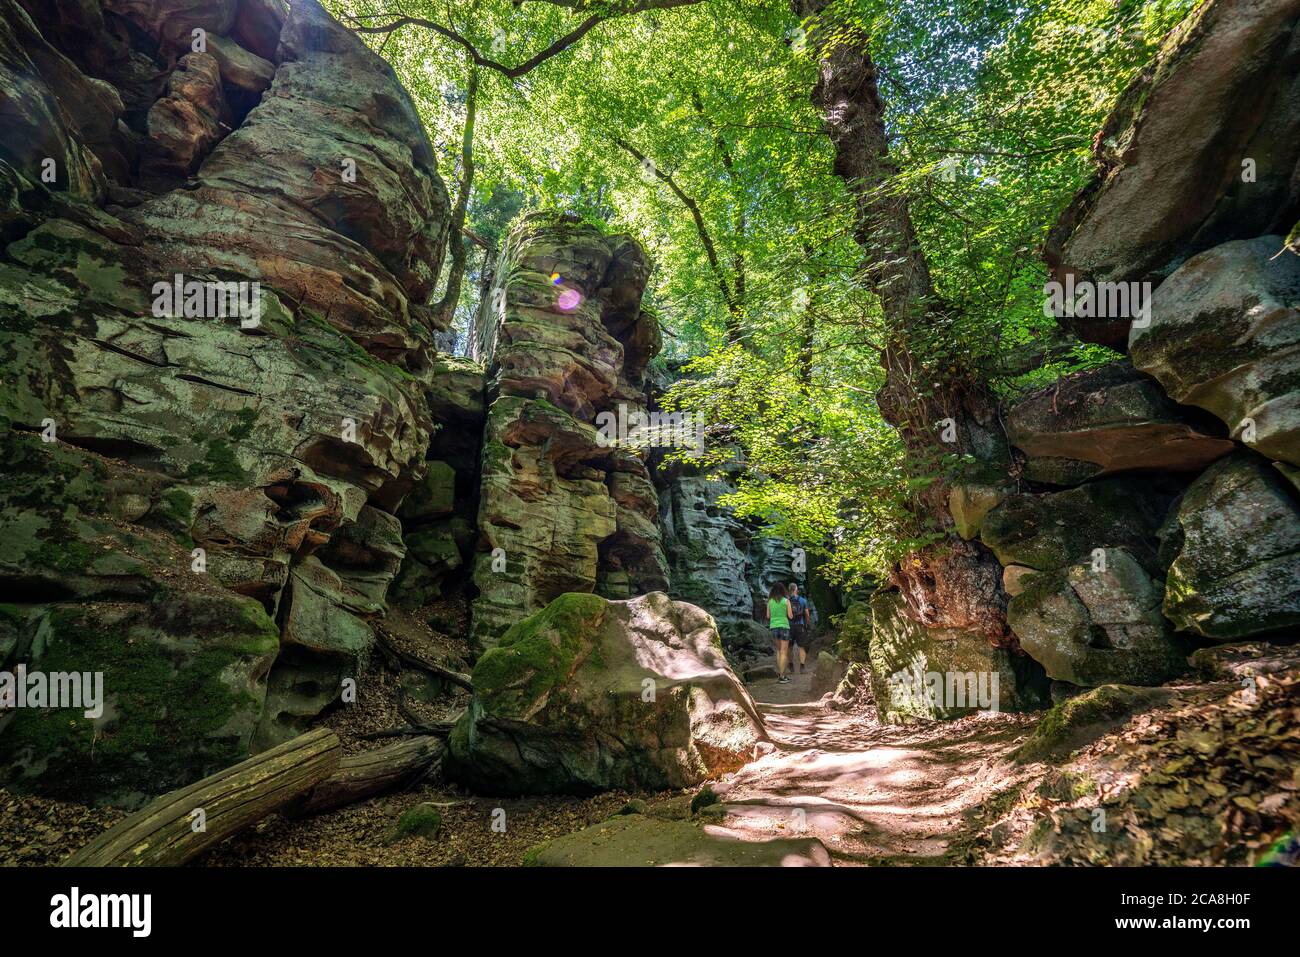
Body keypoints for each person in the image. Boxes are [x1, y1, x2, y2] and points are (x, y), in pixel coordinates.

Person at [765, 582, 793, 683]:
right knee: (784, 652)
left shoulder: (770, 602)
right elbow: (790, 616)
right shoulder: (786, 601)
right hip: (784, 627)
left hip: (773, 627)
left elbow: (768, 616)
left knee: (778, 651)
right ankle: (782, 676)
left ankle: (782, 675)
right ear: (783, 590)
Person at [787, 583, 812, 674]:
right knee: (801, 646)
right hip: (800, 626)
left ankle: (790, 665)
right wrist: (807, 624)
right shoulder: (802, 600)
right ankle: (802, 667)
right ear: (796, 589)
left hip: (789, 626)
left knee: (789, 647)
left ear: (789, 590)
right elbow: (807, 614)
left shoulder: (786, 601)